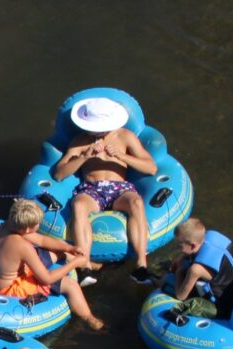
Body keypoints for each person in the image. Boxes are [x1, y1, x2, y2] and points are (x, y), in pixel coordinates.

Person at [49, 95, 159, 282]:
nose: (97, 133)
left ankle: (141, 264)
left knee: (136, 202)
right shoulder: (80, 141)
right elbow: (59, 173)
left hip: (119, 188)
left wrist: (123, 157)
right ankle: (84, 265)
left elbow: (151, 168)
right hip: (92, 188)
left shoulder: (125, 136)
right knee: (79, 206)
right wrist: (84, 157)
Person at [0, 198, 105, 331]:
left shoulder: (7, 226)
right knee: (71, 285)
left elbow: (41, 240)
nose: (39, 226)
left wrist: (69, 248)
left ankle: (87, 265)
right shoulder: (22, 246)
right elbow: (46, 278)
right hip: (13, 287)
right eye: (38, 224)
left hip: (12, 270)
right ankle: (90, 319)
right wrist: (74, 263)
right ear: (28, 228)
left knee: (60, 252)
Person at [164, 217, 233, 320]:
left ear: (193, 246)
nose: (178, 249)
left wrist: (179, 272)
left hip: (223, 306)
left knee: (169, 285)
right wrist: (183, 256)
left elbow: (180, 296)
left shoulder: (196, 269)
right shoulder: (208, 236)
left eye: (179, 246)